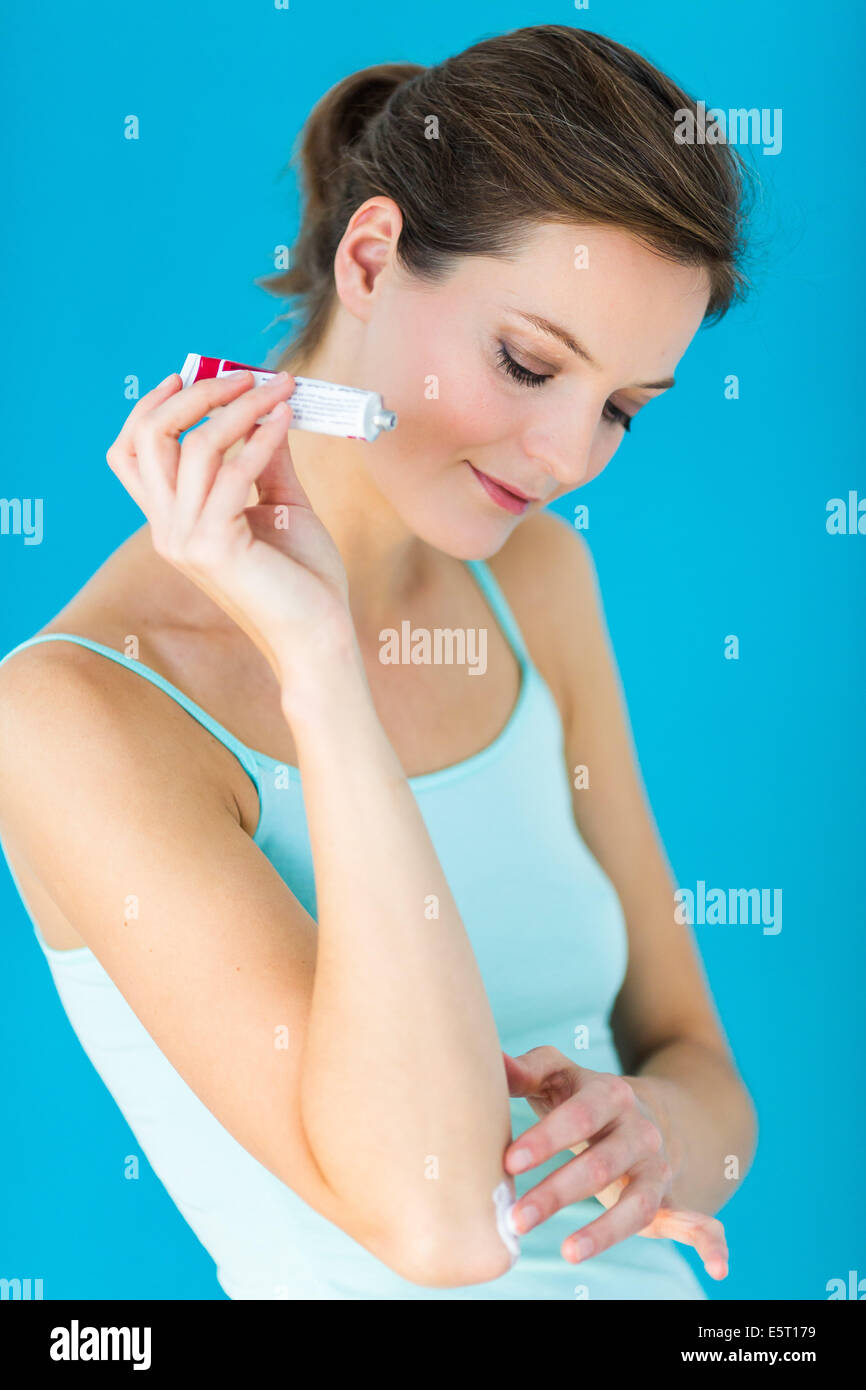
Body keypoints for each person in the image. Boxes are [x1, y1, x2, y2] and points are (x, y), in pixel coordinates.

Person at [0, 24, 758, 1299]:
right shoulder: (70, 716)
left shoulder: (535, 583)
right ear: (368, 257)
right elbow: (441, 1225)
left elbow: (702, 1073)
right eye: (527, 363)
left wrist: (659, 1130)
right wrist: (319, 663)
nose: (570, 455)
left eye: (624, 407)